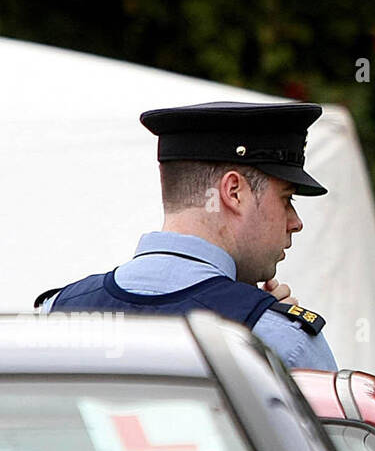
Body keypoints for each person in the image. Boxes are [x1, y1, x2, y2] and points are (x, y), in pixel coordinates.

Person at [39, 101, 336, 370]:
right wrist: (263, 318)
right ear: (234, 192)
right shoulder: (281, 341)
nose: (295, 223)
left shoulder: (57, 313)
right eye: (286, 199)